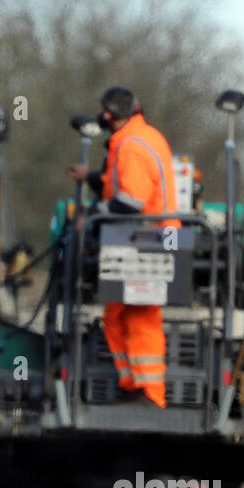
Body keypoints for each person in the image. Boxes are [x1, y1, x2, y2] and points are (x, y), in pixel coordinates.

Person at [67, 87, 179, 408]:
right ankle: (132, 385)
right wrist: (91, 176)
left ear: (107, 116)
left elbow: (130, 201)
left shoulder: (131, 146)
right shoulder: (141, 137)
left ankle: (149, 393)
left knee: (140, 314)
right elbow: (117, 185)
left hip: (148, 239)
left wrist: (90, 214)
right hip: (146, 238)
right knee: (117, 312)